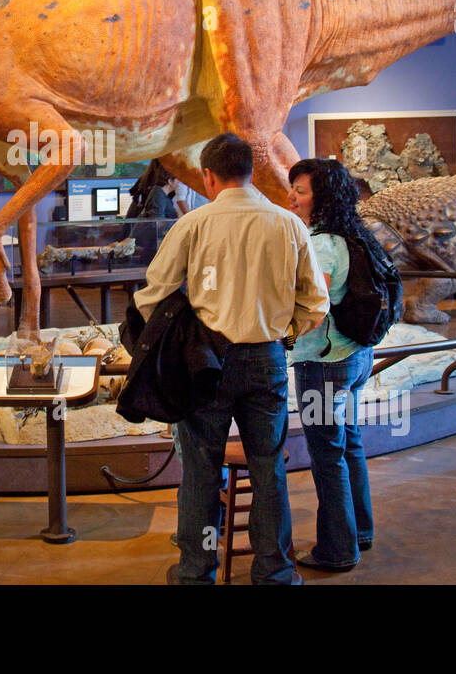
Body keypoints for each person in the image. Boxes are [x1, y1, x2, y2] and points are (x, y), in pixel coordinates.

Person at [134, 134, 329, 585]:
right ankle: (274, 571)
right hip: (266, 360)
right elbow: (316, 303)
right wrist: (285, 333)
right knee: (269, 467)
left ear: (208, 175)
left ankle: (195, 571)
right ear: (252, 172)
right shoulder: (288, 224)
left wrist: (182, 339)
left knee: (201, 471)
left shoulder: (193, 224)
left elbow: (152, 298)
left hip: (206, 362)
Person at [286, 158, 377, 572]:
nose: (292, 197)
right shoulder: (354, 234)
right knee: (349, 443)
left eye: (301, 191)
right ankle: (359, 530)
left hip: (323, 365)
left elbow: (315, 308)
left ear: (321, 196)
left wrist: (285, 338)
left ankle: (337, 550)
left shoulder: (321, 243)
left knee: (327, 454)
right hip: (355, 356)